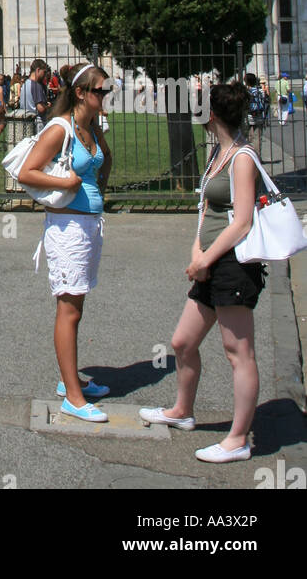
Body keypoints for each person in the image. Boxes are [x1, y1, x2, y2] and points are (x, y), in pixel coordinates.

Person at [140, 82, 263, 463]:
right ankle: (182, 411)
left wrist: (206, 260)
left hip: (233, 265)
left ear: (211, 115)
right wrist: (198, 249)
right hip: (208, 261)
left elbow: (242, 222)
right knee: (182, 342)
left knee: (238, 352)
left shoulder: (242, 157)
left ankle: (238, 439)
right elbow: (206, 212)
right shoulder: (217, 152)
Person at [18, 61, 113, 422]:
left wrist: (98, 136)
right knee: (68, 309)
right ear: (81, 93)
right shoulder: (60, 128)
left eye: (106, 90)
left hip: (88, 225)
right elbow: (28, 171)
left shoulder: (88, 126)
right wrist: (66, 184)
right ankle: (73, 397)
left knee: (77, 306)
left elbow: (103, 164)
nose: (105, 96)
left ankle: (69, 380)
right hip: (67, 229)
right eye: (99, 91)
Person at [18, 58, 50, 133]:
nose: (45, 75)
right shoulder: (36, 85)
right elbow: (40, 108)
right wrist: (48, 106)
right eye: (44, 72)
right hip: (37, 123)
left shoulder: (26, 83)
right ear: (38, 70)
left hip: (26, 120)